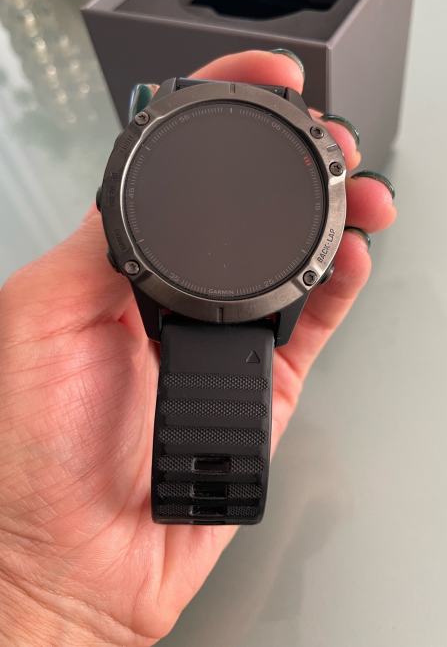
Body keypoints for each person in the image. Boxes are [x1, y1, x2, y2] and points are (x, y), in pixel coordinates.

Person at [0, 49, 397, 645]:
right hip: (222, 296)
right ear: (112, 200)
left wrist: (36, 601)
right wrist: (30, 592)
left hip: (220, 294)